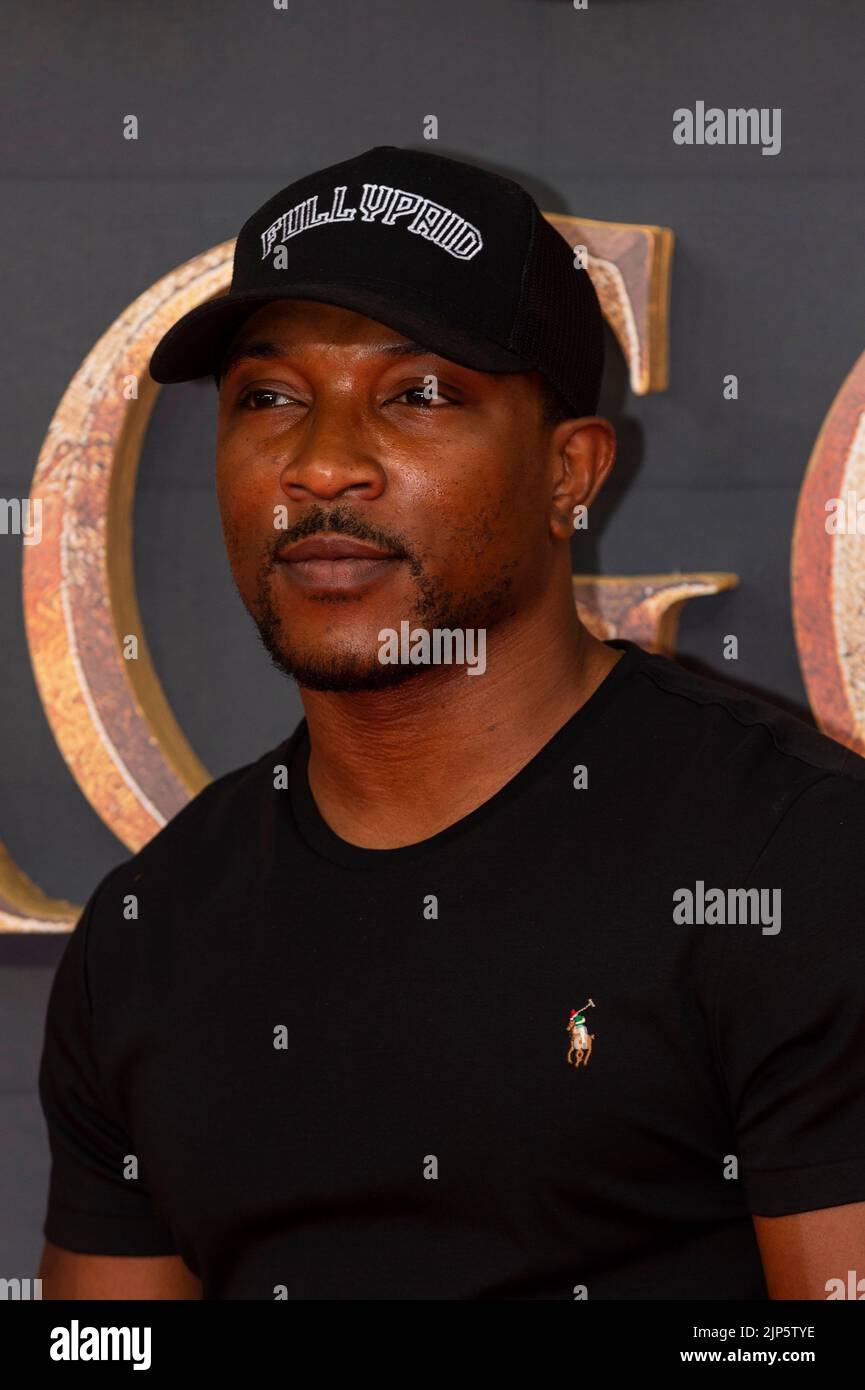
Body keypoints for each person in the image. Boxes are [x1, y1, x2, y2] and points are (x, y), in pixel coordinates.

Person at [37, 145, 865, 1300]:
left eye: (419, 394)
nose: (323, 465)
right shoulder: (150, 932)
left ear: (568, 473)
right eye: (269, 398)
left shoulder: (798, 862)